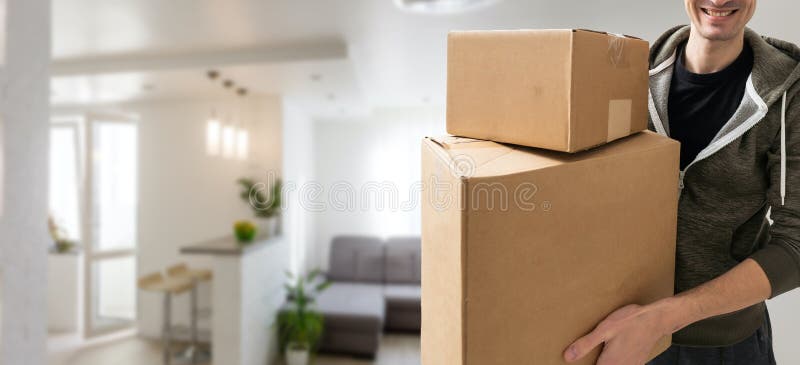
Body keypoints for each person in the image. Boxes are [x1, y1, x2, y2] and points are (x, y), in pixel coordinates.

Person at [563, 1, 800, 364]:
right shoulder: (625, 72)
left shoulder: (789, 93)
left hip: (726, 346)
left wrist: (662, 318)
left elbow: (795, 244)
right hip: (618, 335)